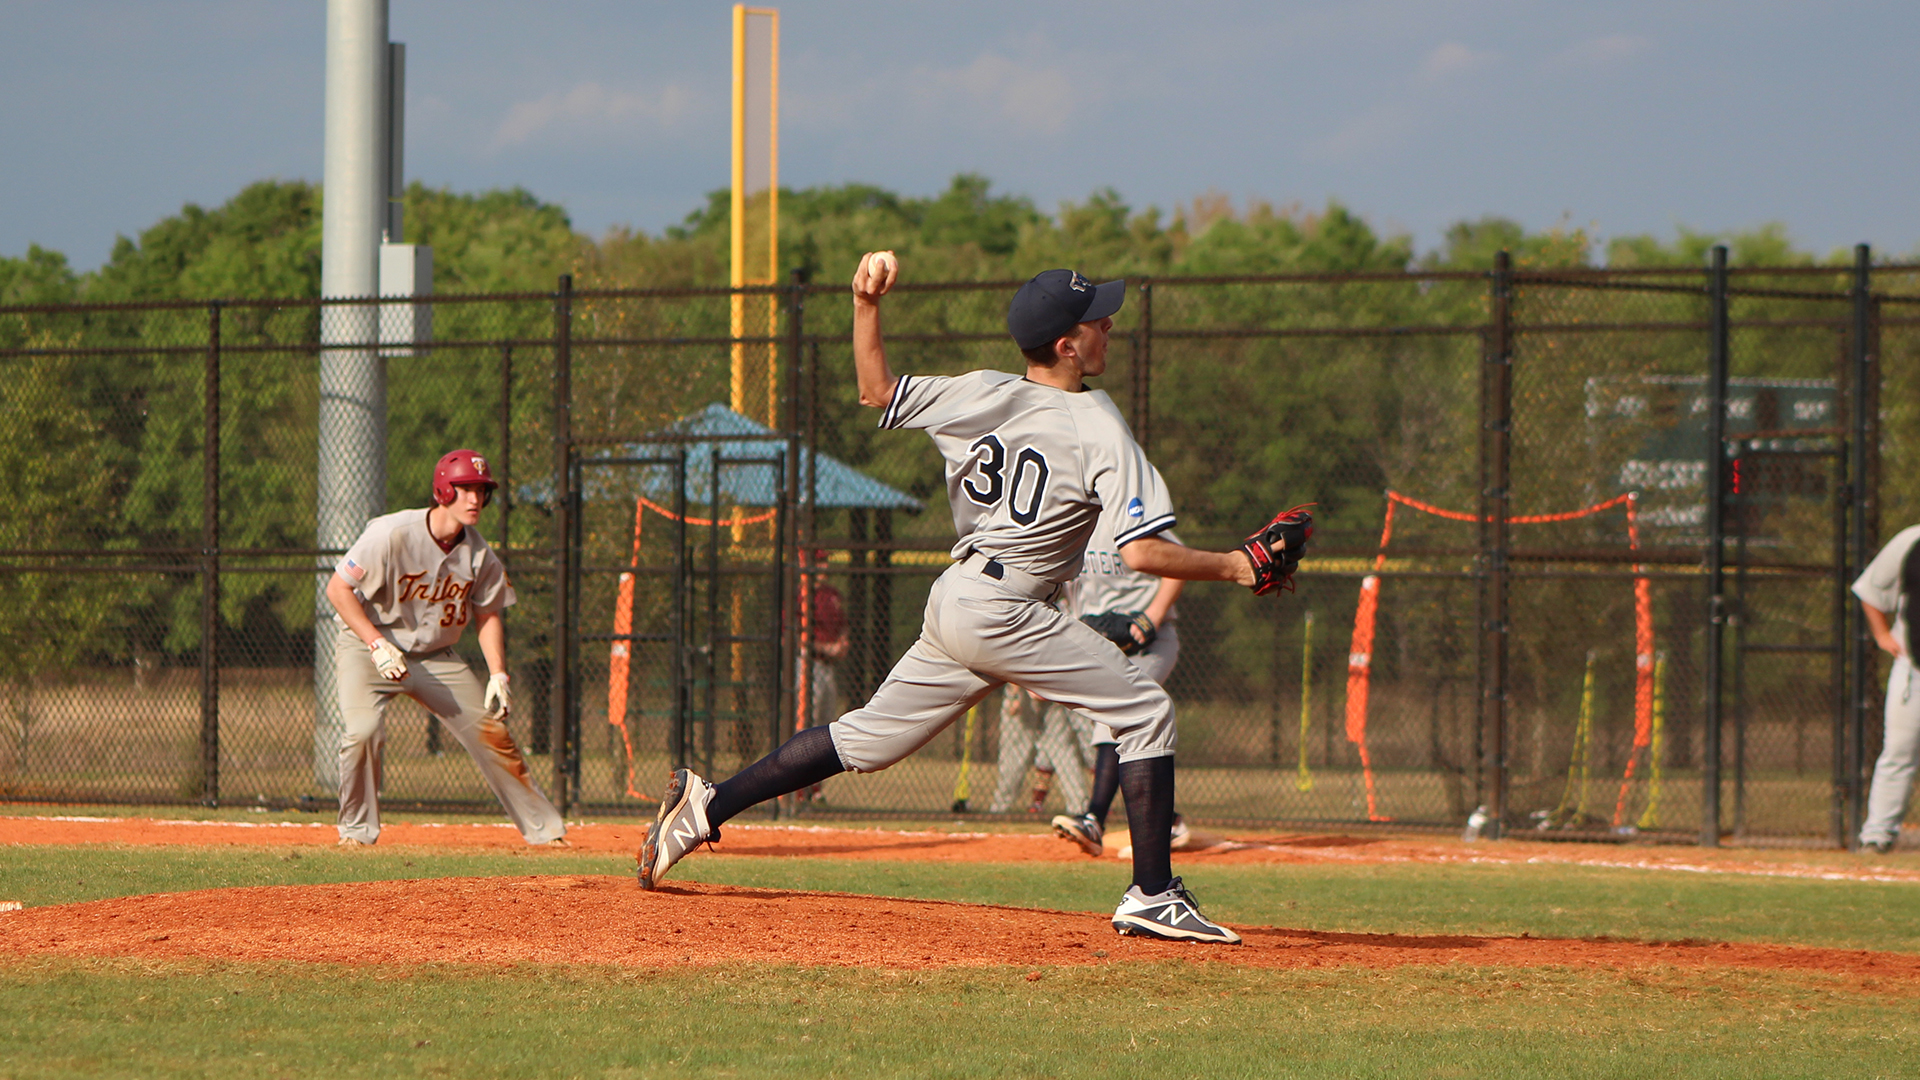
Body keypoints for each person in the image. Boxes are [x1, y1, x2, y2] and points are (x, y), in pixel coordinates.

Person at [638, 253, 1309, 945]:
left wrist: (865, 304)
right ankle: (1152, 893)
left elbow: (876, 390)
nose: (1108, 326)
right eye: (1096, 320)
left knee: (867, 739)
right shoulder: (1097, 422)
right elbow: (1142, 553)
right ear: (1067, 344)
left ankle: (709, 803)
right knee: (1144, 710)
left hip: (959, 596)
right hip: (1008, 609)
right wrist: (1235, 565)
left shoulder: (982, 389)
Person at [326, 449, 568, 848]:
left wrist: (499, 674)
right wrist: (375, 643)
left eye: (482, 491)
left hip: (436, 656)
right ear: (443, 489)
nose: (475, 499)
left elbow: (488, 614)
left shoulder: (479, 554)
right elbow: (338, 589)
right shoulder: (391, 533)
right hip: (368, 647)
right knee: (363, 731)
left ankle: (545, 833)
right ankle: (355, 834)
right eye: (466, 489)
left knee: (493, 732)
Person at [1049, 521, 1190, 856]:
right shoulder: (1071, 523)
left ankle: (1094, 818)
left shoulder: (1131, 518)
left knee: (1119, 712)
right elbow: (1062, 594)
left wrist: (1152, 618)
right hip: (1101, 644)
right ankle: (1167, 820)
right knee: (1126, 731)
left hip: (1150, 642)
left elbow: (1179, 562)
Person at [1853, 523, 1920, 853]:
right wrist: (1882, 635)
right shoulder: (1912, 541)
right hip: (1914, 670)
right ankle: (1877, 836)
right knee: (1898, 752)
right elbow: (1870, 590)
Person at [988, 682, 1091, 815]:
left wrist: (1016, 694)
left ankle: (1079, 807)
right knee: (1016, 755)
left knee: (1060, 749)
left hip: (1040, 689)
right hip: (1039, 689)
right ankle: (1079, 806)